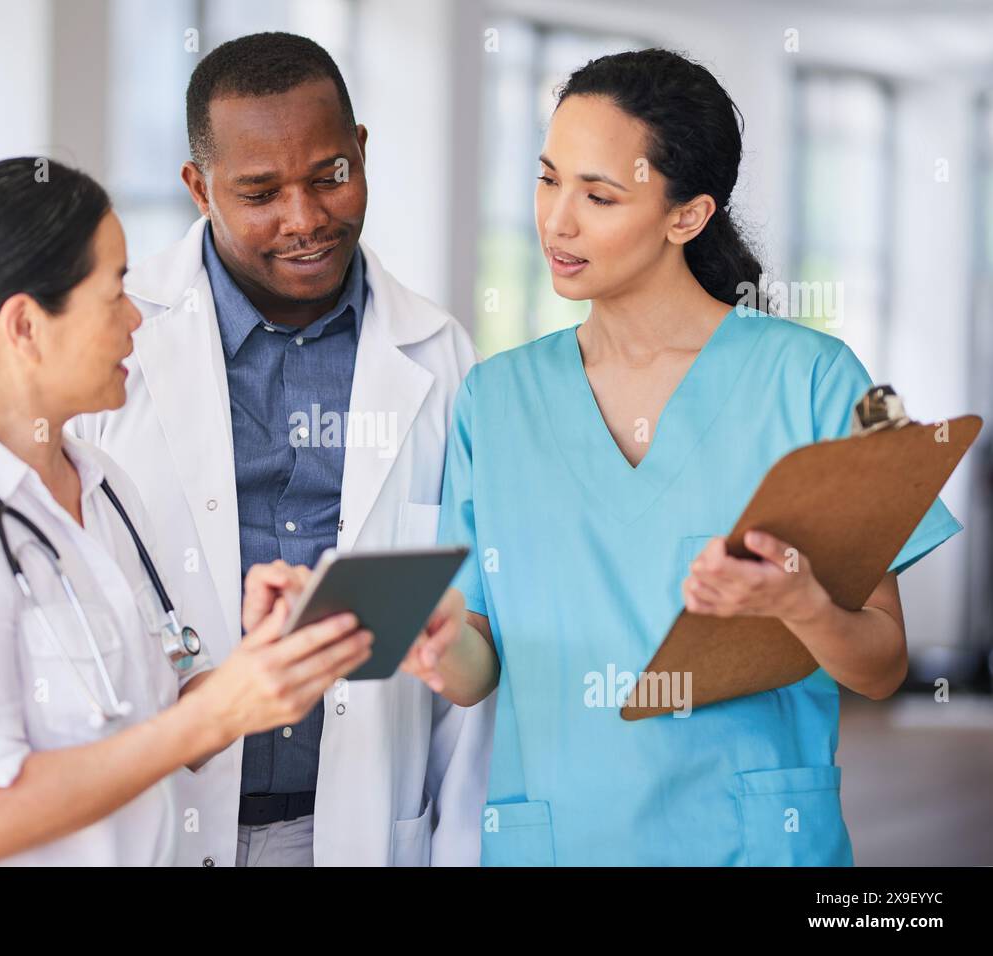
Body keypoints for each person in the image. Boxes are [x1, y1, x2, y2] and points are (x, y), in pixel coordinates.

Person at [400, 49, 961, 866]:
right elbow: (479, 663)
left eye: (598, 195)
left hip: (752, 844)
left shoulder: (807, 381)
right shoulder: (496, 400)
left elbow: (880, 666)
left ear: (688, 216)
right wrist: (436, 644)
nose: (557, 220)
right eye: (548, 179)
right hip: (556, 842)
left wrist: (802, 605)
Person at [0, 157, 372, 866]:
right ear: (26, 326)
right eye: (114, 292)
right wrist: (213, 716)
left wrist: (271, 658)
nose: (136, 318)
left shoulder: (104, 489)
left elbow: (170, 698)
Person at [76, 32, 493, 866]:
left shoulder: (440, 356)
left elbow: (467, 654)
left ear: (361, 152)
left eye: (330, 176)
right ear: (200, 189)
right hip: (156, 817)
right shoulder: (115, 340)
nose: (304, 219)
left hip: (365, 819)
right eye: (260, 192)